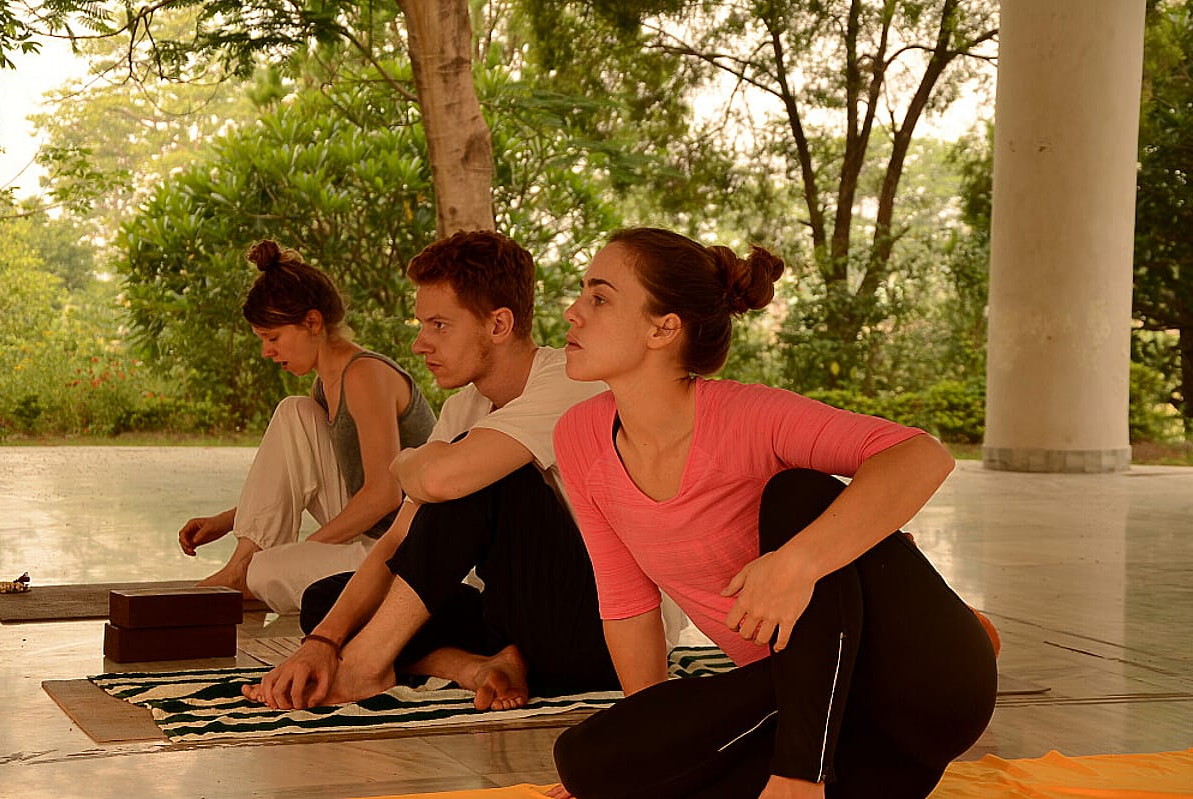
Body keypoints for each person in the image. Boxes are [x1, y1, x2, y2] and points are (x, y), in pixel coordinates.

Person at [550, 228, 997, 799]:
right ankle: (801, 770)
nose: (572, 311)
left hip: (922, 689)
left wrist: (796, 564)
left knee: (798, 493)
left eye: (599, 297)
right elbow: (626, 602)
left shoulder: (748, 417)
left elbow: (923, 454)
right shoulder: (581, 437)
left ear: (663, 328)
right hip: (849, 730)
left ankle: (798, 778)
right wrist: (652, 744)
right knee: (586, 760)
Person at [240, 230, 618, 712]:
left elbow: (438, 480)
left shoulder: (568, 382)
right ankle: (475, 667)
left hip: (595, 633)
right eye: (422, 324)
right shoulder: (466, 404)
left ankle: (366, 667)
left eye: (439, 325)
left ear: (499, 324)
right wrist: (324, 643)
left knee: (482, 474)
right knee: (327, 603)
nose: (420, 344)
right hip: (510, 622)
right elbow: (397, 539)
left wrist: (409, 464)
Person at [177, 240, 437, 615]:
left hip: (407, 549)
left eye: (273, 337)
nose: (267, 351)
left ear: (312, 322)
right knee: (293, 411)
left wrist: (307, 549)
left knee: (268, 569)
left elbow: (385, 494)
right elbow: (290, 475)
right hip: (369, 537)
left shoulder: (365, 374)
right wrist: (225, 521)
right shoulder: (323, 385)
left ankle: (246, 575)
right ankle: (240, 568)